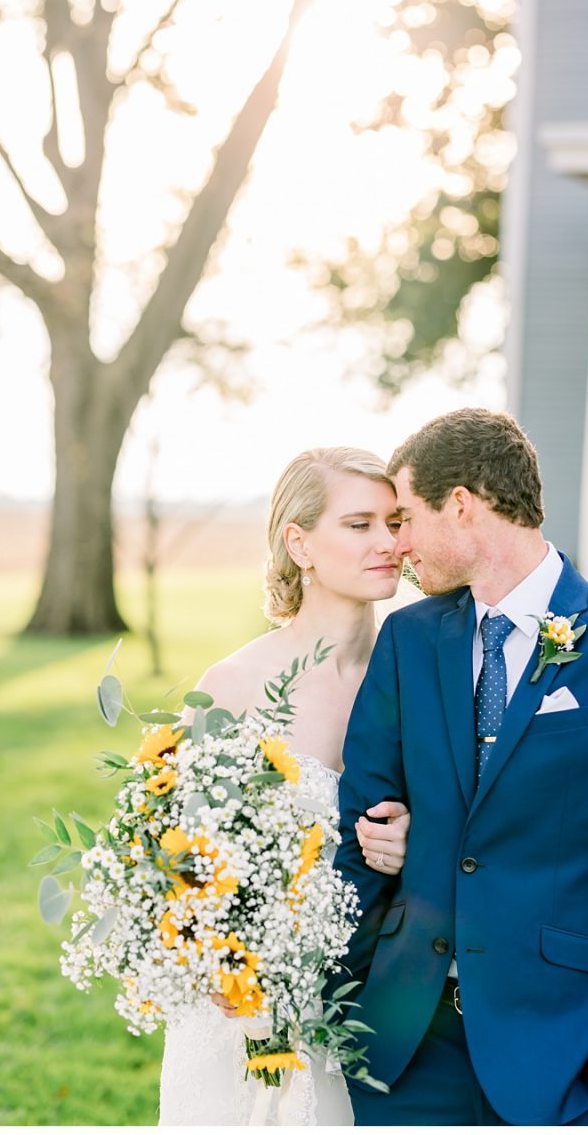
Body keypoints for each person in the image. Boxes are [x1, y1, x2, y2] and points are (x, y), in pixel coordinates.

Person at [335, 408, 588, 1126]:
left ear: (461, 505)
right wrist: (328, 991)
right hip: (403, 1051)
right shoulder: (408, 640)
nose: (399, 543)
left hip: (567, 1058)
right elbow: (358, 828)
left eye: (406, 517)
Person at [158, 448, 413, 1126]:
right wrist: (219, 954)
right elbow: (177, 852)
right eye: (359, 525)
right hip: (245, 1003)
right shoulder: (230, 686)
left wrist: (415, 838)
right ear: (299, 543)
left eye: (394, 522)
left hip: (378, 999)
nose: (388, 543)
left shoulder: (419, 681)